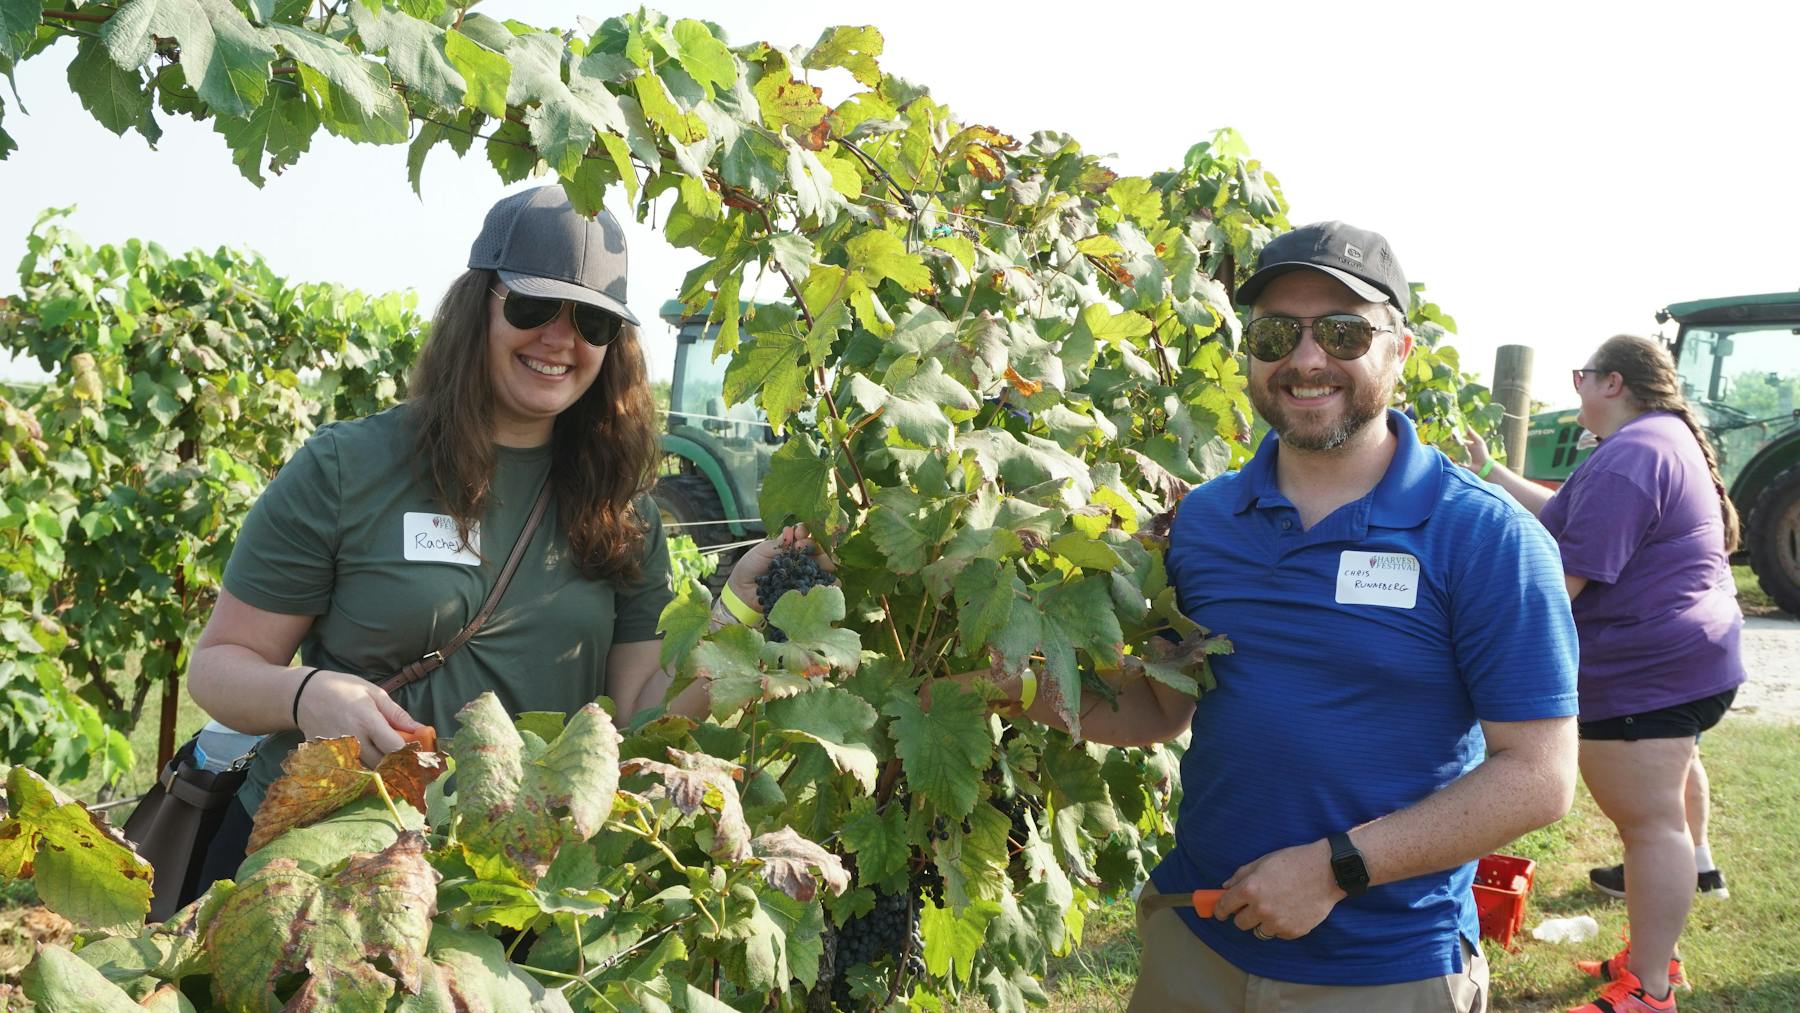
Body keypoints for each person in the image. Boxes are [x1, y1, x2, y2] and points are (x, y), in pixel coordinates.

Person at [966, 221, 1580, 1011]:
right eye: (1276, 333)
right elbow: (1160, 706)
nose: (1307, 358)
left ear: (1400, 349)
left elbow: (1538, 776)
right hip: (1198, 938)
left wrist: (1336, 867)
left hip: (1384, 970)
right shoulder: (1204, 521)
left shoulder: (1486, 537)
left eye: (1343, 332)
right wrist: (1011, 688)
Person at [186, 184, 812, 888]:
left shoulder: (622, 509)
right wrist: (308, 695)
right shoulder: (346, 467)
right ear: (478, 304)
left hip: (507, 886)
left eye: (592, 321)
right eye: (533, 307)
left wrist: (737, 608)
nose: (560, 339)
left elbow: (642, 717)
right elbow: (219, 666)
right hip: (322, 865)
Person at [1463, 335, 1745, 1013]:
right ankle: (1652, 958)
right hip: (1687, 661)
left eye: (1582, 376)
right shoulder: (1652, 441)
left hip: (1648, 670)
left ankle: (1648, 989)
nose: (1578, 389)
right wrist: (1491, 472)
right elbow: (1568, 518)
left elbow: (1563, 582)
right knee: (1655, 821)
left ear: (1613, 382)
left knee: (1651, 827)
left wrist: (1470, 638)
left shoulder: (1631, 456)